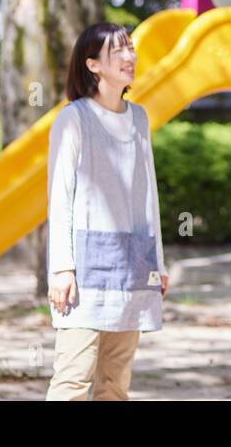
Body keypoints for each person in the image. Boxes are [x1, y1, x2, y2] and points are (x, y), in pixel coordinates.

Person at [45, 22, 169, 400]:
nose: (129, 57)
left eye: (130, 48)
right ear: (93, 64)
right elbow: (60, 196)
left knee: (115, 383)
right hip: (84, 269)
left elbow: (149, 194)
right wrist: (61, 268)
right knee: (73, 381)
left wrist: (158, 264)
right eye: (118, 51)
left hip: (132, 264)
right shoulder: (73, 119)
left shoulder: (140, 118)